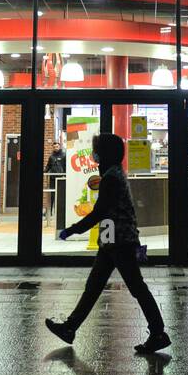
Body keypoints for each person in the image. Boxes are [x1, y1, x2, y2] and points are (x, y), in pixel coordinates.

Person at [45, 132, 171, 354]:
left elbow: (99, 212)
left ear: (105, 153)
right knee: (94, 285)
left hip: (119, 241)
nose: (95, 154)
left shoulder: (111, 178)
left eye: (97, 150)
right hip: (112, 239)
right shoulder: (113, 174)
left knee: (136, 287)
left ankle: (158, 333)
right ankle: (70, 328)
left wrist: (73, 230)